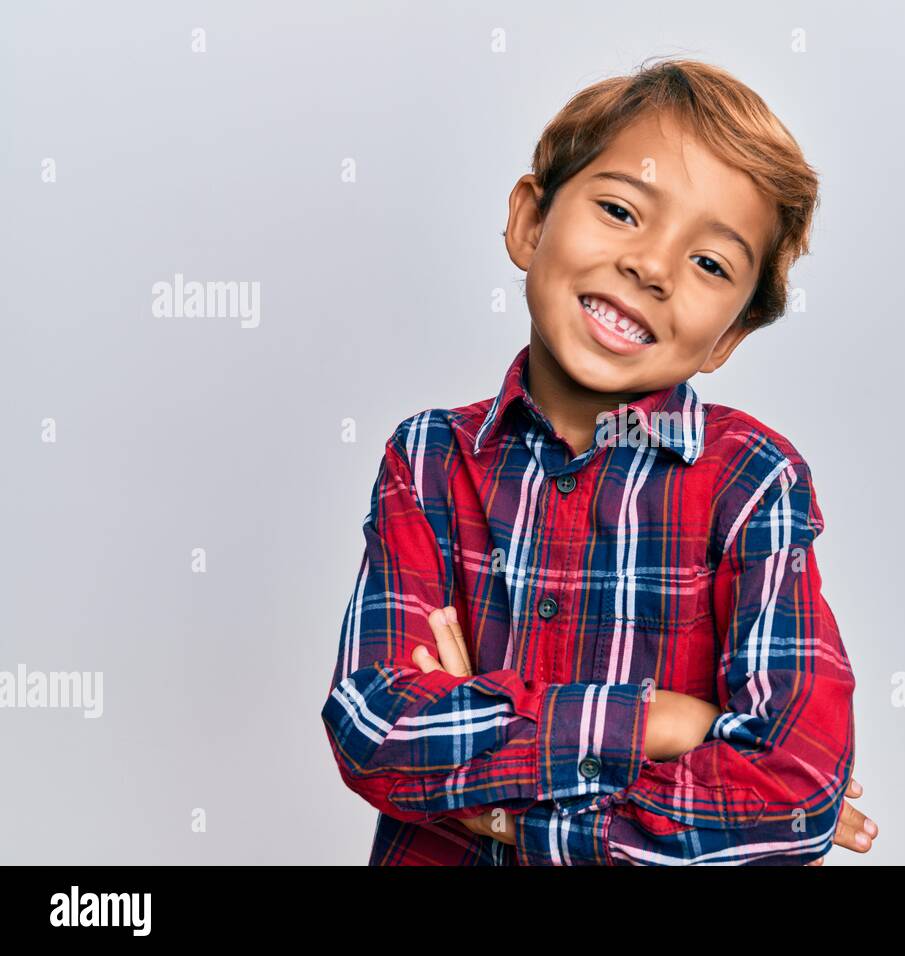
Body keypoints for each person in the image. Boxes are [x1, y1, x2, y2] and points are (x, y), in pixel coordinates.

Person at [320, 56, 877, 865]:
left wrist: (499, 801)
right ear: (528, 222)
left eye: (710, 263)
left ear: (728, 338)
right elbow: (377, 727)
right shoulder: (429, 460)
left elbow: (790, 800)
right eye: (620, 210)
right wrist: (653, 723)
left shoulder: (753, 483)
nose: (651, 267)